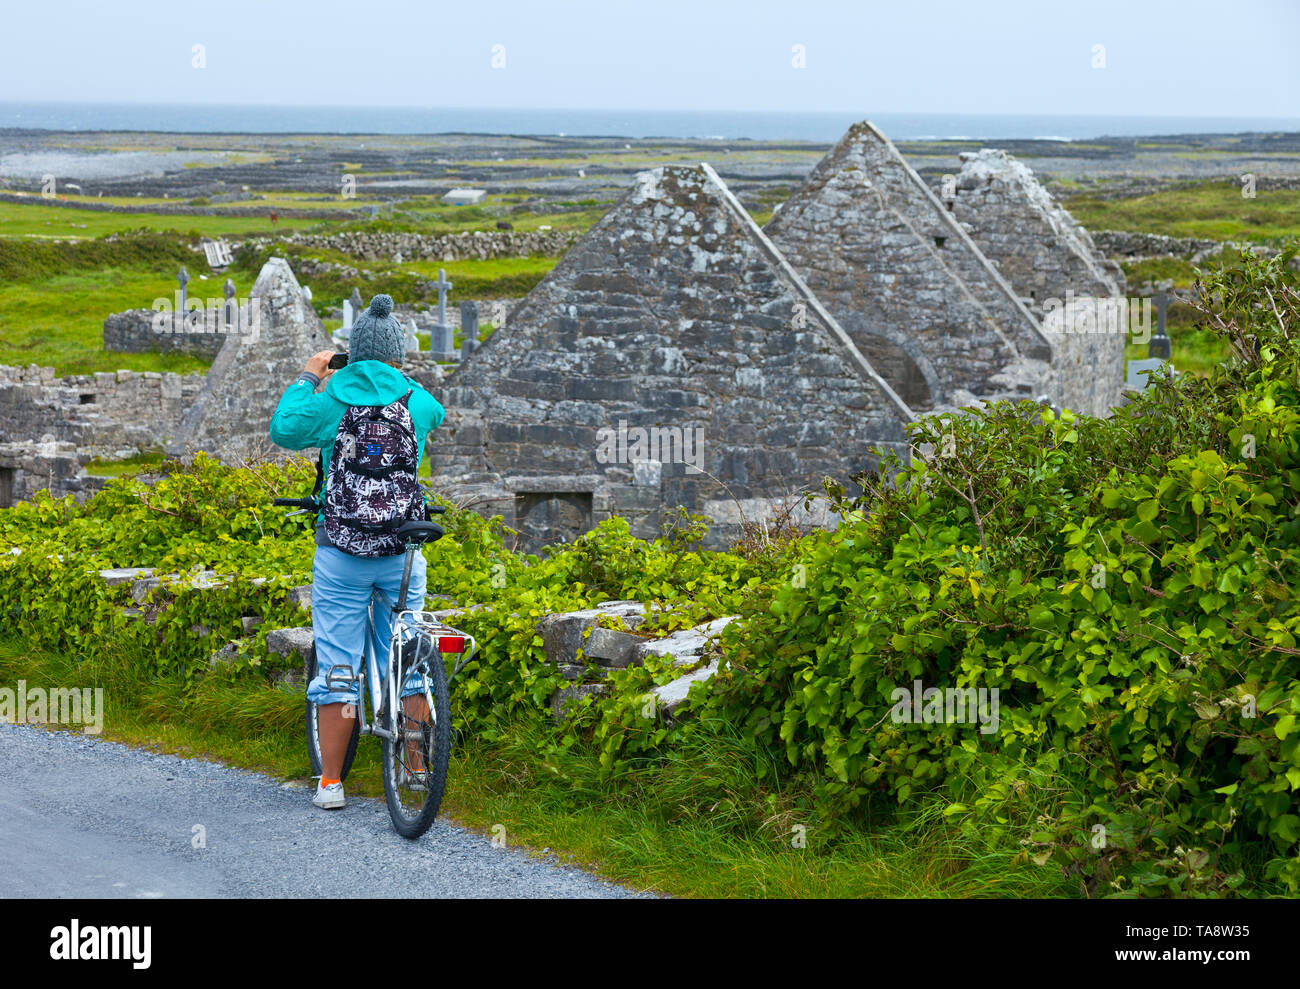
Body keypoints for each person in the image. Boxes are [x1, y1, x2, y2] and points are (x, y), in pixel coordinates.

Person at [269, 293, 444, 810]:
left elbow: (285, 429)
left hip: (341, 550)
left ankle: (330, 784)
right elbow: (432, 416)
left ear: (353, 353)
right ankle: (415, 770)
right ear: (398, 355)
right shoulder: (417, 401)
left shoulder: (330, 401)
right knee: (408, 658)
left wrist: (309, 375)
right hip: (402, 548)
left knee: (340, 665)